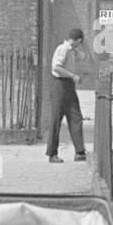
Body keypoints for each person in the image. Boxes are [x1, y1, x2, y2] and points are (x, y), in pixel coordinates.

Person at [46, 27, 87, 162]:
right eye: (80, 42)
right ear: (78, 40)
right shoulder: (62, 49)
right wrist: (73, 76)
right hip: (59, 85)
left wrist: (78, 50)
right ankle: (52, 154)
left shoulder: (72, 50)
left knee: (76, 116)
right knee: (56, 119)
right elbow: (56, 67)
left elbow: (83, 57)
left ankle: (80, 151)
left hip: (69, 86)